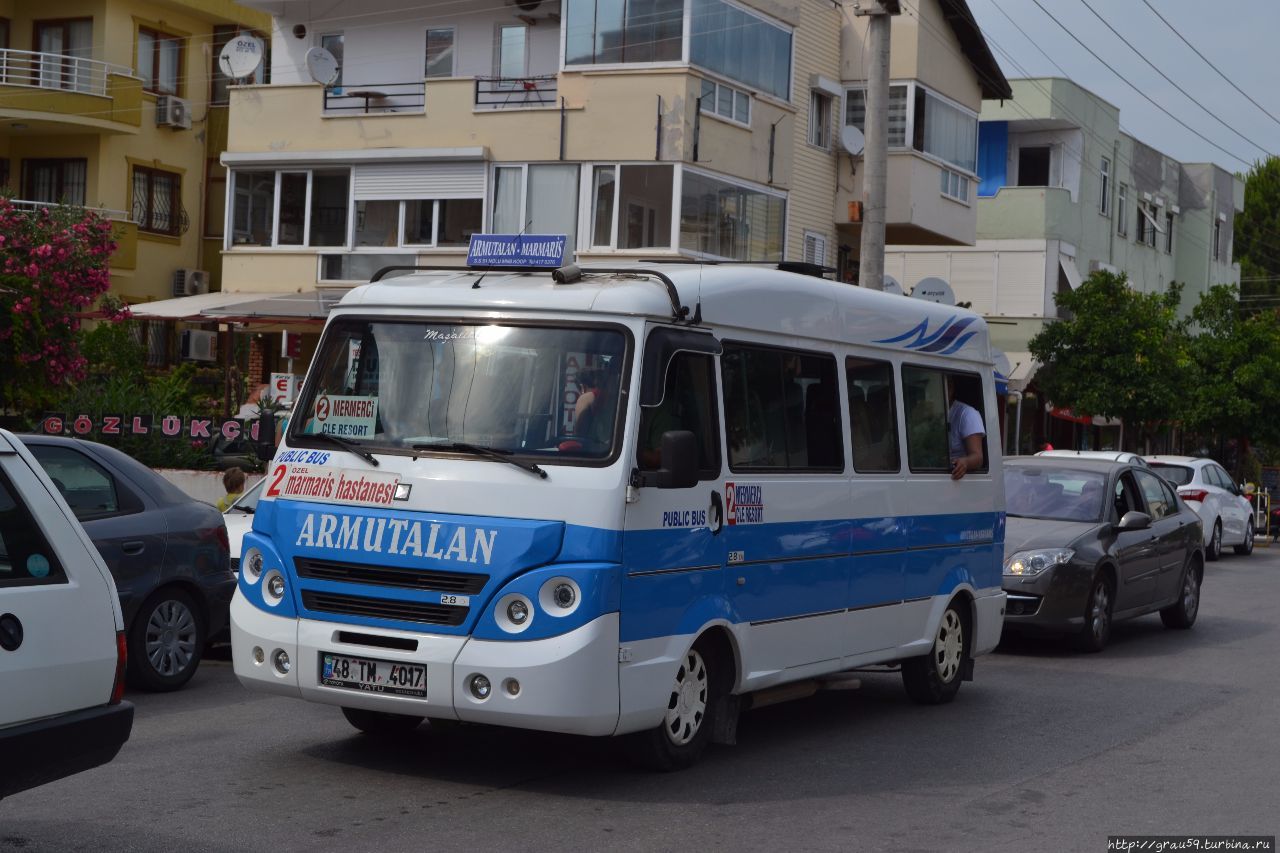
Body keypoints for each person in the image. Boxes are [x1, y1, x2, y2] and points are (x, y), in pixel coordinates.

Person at [946, 375, 985, 480]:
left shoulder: (967, 414)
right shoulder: (927, 413)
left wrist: (965, 462)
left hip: (955, 480)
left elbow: (978, 457)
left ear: (950, 388)